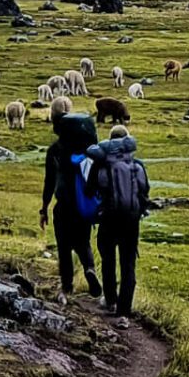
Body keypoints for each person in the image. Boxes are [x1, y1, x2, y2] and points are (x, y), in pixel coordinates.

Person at [40, 109, 102, 300]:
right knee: (84, 242)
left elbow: (49, 181)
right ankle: (89, 268)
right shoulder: (89, 152)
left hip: (63, 205)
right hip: (82, 205)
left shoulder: (55, 151)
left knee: (63, 246)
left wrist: (44, 208)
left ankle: (67, 287)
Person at [89, 130, 150, 320]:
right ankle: (124, 311)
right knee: (128, 263)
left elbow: (89, 189)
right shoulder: (136, 165)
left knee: (108, 259)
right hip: (131, 220)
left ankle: (110, 300)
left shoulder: (101, 164)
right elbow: (145, 189)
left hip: (109, 218)